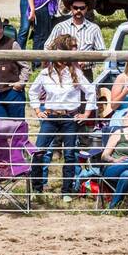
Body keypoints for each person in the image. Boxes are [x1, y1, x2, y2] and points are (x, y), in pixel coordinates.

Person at [28, 38, 95, 200]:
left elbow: (91, 90)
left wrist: (86, 113)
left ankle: (66, 190)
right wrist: (37, 109)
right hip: (50, 116)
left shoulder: (75, 73)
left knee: (70, 153)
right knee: (39, 151)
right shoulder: (45, 73)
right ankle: (37, 188)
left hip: (69, 117)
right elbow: (33, 91)